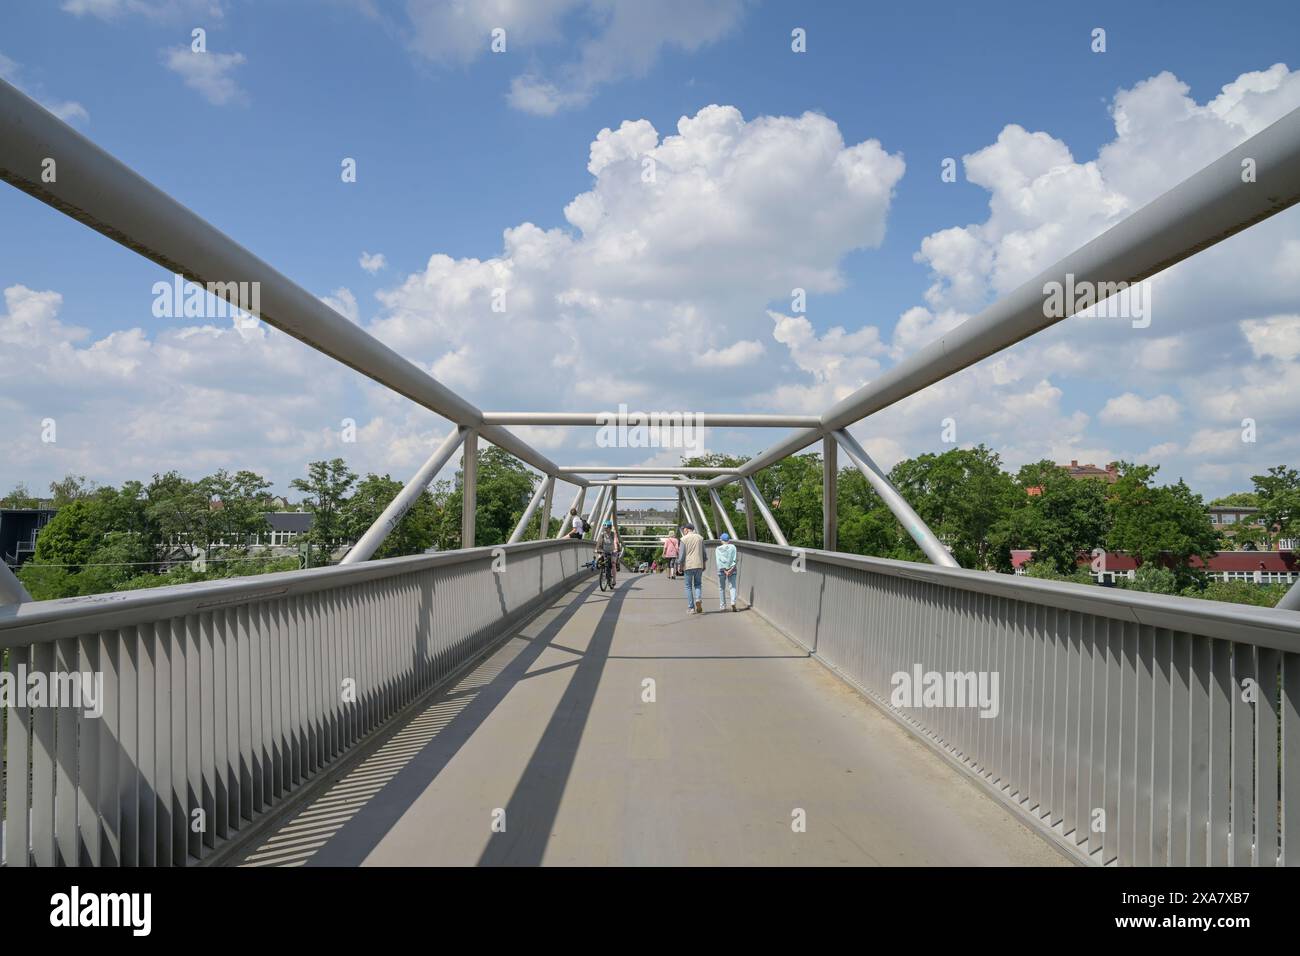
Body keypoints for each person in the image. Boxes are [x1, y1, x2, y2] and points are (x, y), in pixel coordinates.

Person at [679, 522, 706, 613]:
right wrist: (704, 564)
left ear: (687, 529)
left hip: (688, 565)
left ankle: (691, 608)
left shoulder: (683, 539)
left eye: (684, 529)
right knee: (698, 584)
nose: (683, 531)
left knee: (688, 586)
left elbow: (682, 554)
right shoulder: (700, 538)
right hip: (699, 564)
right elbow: (704, 553)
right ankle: (698, 599)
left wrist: (680, 564)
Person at [715, 532, 739, 611]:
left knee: (721, 588)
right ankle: (733, 602)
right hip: (732, 569)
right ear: (728, 540)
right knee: (732, 587)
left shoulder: (718, 549)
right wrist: (731, 569)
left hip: (722, 570)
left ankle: (722, 606)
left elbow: (718, 562)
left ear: (721, 540)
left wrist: (725, 570)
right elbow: (735, 559)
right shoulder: (733, 547)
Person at [594, 519, 620, 585]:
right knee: (600, 557)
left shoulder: (613, 534)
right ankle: (600, 567)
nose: (605, 529)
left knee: (613, 564)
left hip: (613, 551)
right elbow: (599, 542)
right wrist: (598, 549)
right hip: (605, 550)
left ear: (610, 528)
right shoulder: (602, 534)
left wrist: (616, 549)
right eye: (605, 528)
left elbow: (615, 541)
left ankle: (614, 580)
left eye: (607, 528)